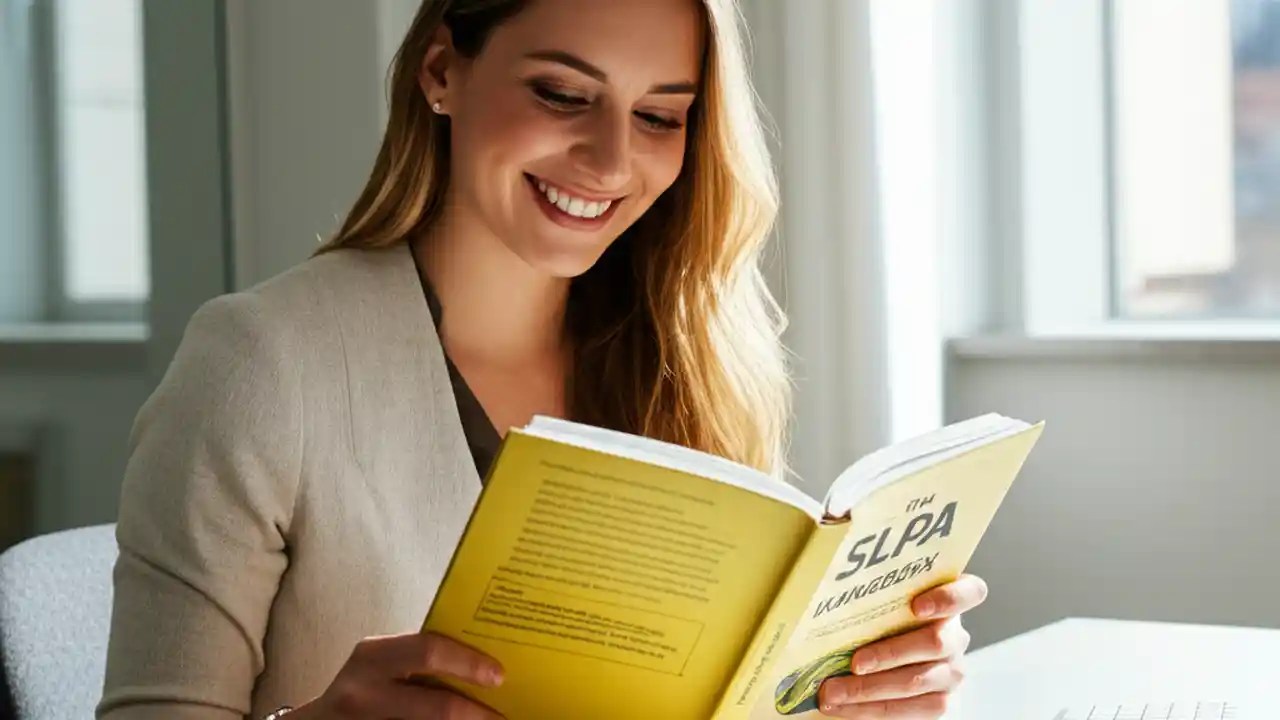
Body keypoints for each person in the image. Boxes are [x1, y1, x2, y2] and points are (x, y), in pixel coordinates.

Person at [97, 0, 987, 718]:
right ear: (442, 71)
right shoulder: (261, 362)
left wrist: (854, 696)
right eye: (563, 95)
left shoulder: (687, 368)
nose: (610, 159)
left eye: (658, 116)